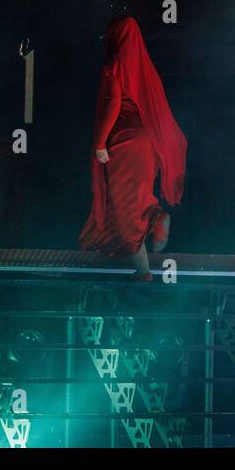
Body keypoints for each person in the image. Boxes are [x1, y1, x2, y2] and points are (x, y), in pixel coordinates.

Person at [78, 16, 187, 281]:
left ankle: (143, 273)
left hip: (126, 144)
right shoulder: (143, 66)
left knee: (125, 207)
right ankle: (157, 217)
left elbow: (114, 103)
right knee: (135, 199)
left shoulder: (115, 64)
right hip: (147, 143)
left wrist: (100, 142)